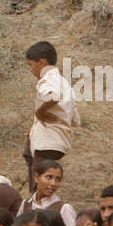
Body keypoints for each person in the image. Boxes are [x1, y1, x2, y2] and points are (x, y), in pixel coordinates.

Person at [23, 40, 79, 188]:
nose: (30, 69)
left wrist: (39, 112)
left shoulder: (47, 79)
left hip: (46, 143)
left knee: (40, 187)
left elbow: (53, 97)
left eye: (30, 65)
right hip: (58, 143)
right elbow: (75, 118)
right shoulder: (64, 83)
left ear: (41, 62)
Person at [20, 160, 77, 226]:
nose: (53, 183)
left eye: (58, 179)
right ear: (36, 177)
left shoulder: (64, 209)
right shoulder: (26, 204)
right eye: (49, 177)